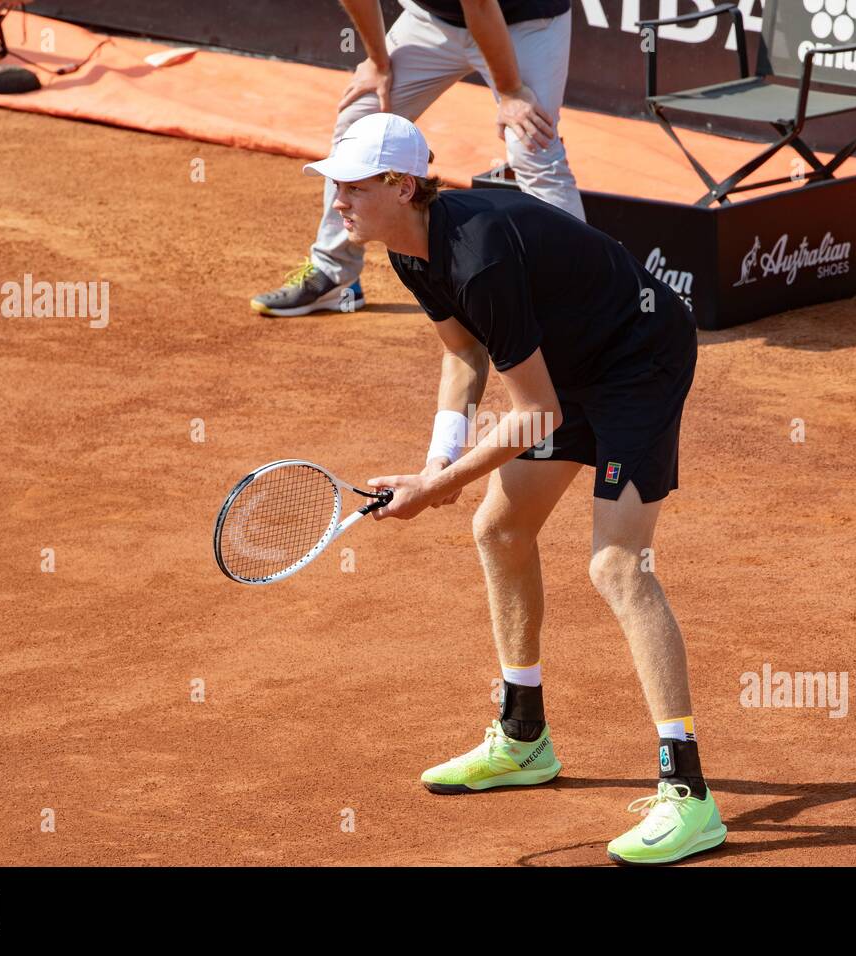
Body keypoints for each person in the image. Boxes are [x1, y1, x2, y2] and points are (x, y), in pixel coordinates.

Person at [303, 112, 725, 865]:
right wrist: (440, 464)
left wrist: (437, 488)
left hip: (637, 362)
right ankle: (525, 738)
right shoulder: (407, 248)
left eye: (352, 186)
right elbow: (463, 357)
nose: (337, 198)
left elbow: (534, 415)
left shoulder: (478, 255)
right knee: (499, 530)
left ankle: (688, 795)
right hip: (569, 367)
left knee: (617, 564)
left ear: (401, 186)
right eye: (334, 183)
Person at [250, 0, 585, 318]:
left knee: (531, 141)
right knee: (359, 119)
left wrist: (511, 92)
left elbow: (480, 6)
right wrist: (377, 62)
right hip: (431, 21)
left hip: (525, 23)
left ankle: (579, 292)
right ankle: (335, 273)